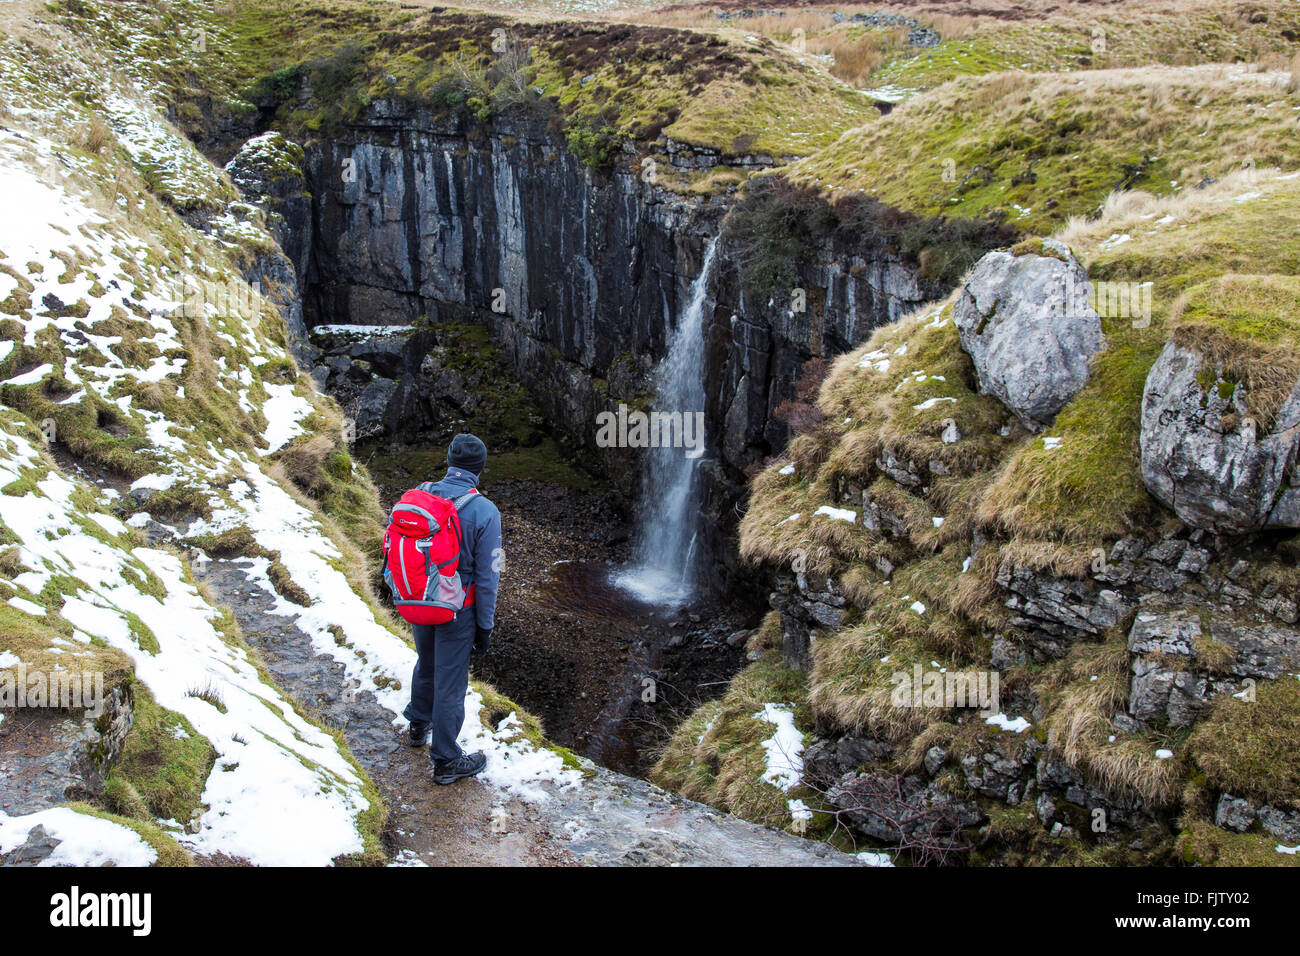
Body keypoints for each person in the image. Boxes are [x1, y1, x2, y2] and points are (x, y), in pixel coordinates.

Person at [402, 433, 502, 785]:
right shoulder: (485, 511)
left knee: (426, 662)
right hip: (458, 610)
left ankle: (418, 724)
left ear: (449, 461)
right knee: (452, 681)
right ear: (480, 468)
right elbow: (489, 577)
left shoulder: (422, 493)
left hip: (418, 598)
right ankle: (446, 760)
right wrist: (485, 627)